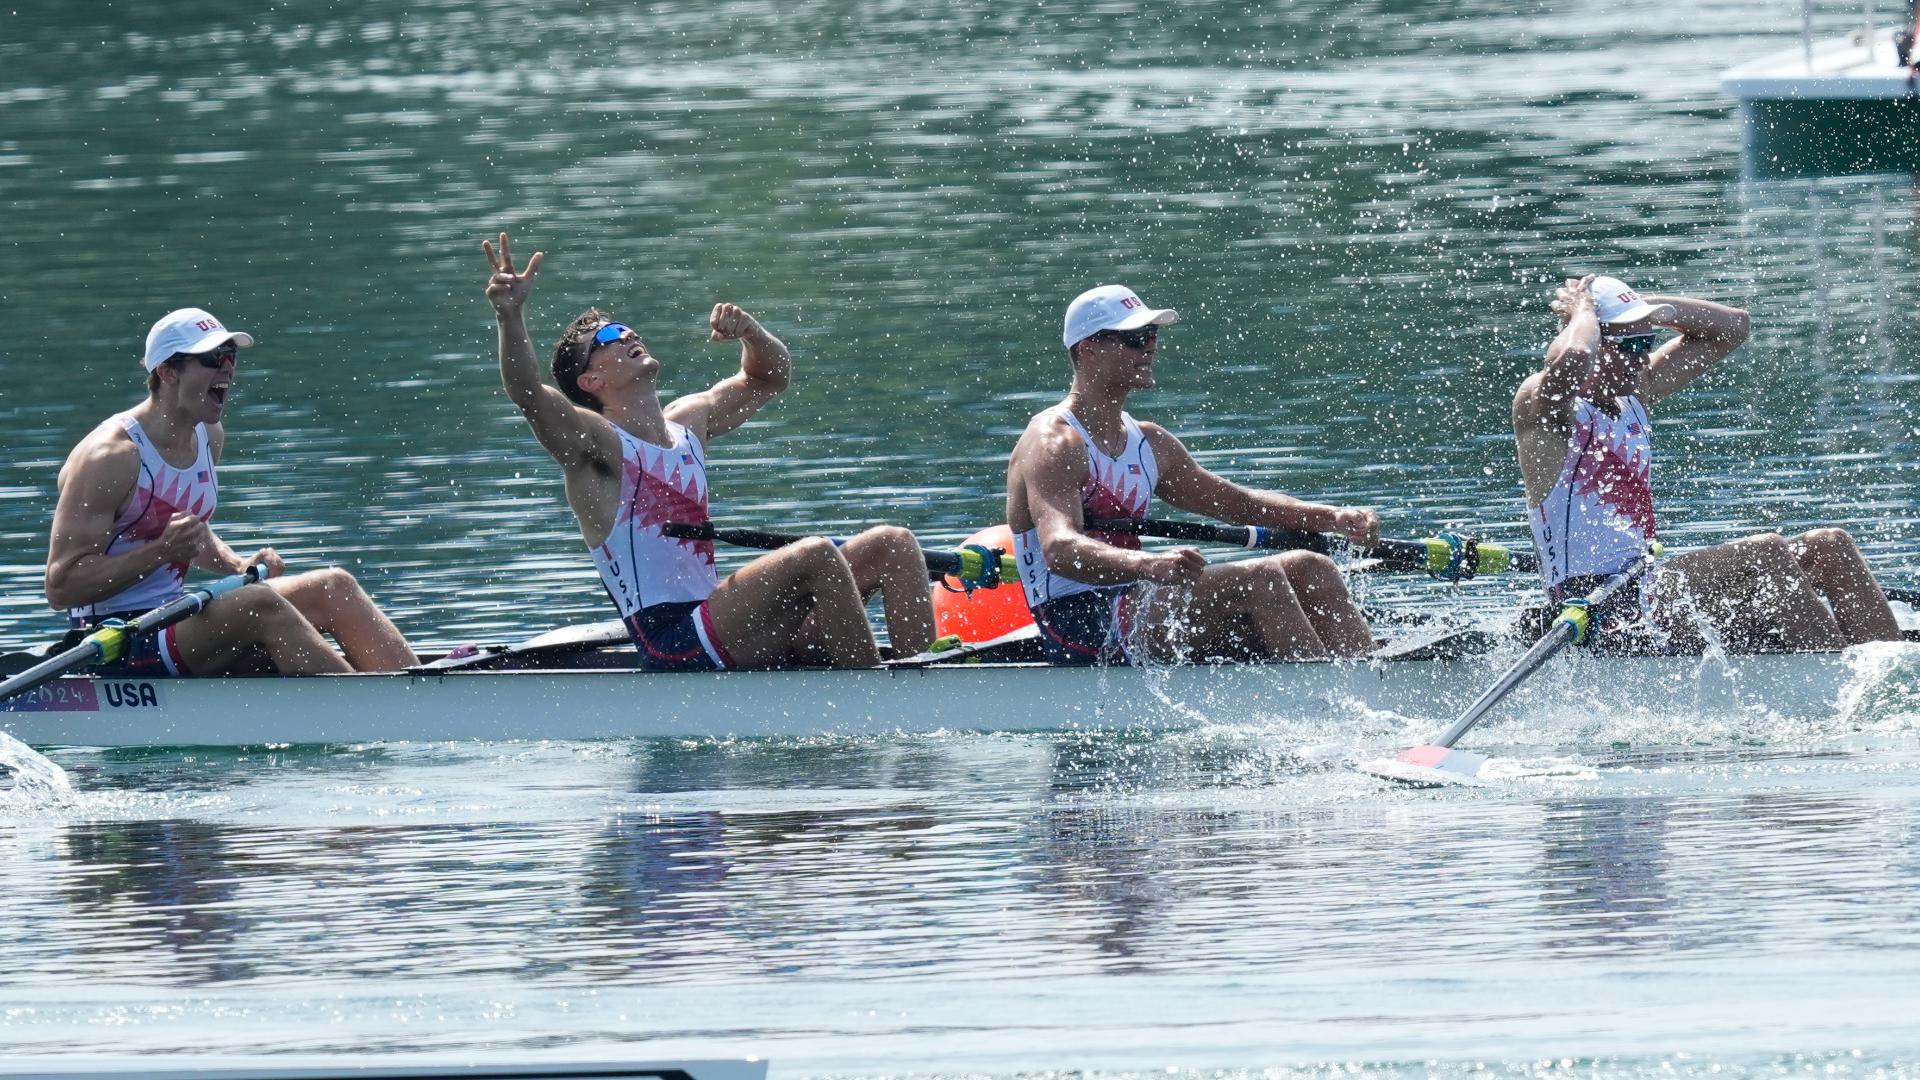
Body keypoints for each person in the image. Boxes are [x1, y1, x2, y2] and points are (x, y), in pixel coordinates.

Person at [480, 233, 936, 670]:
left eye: (623, 327)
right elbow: (527, 393)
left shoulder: (690, 422)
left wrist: (751, 333)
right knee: (815, 554)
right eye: (606, 338)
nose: (625, 335)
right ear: (590, 381)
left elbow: (769, 378)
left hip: (722, 622)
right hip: (673, 642)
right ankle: (881, 698)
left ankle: (925, 676)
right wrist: (509, 315)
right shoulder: (595, 445)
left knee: (892, 544)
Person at [1513, 274, 1900, 652]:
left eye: (1647, 340)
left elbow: (1733, 327)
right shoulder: (1544, 407)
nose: (1643, 356)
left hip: (1648, 585)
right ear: (1596, 340)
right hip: (1599, 606)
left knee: (1830, 546)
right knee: (1765, 551)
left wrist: (1641, 309)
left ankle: (1889, 679)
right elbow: (1574, 357)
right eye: (1631, 344)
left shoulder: (1634, 395)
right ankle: (1832, 682)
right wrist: (1582, 310)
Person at [1005, 284, 1381, 666]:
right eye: (1135, 338)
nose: (1150, 347)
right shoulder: (1054, 442)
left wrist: (1331, 517)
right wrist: (1149, 565)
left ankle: (1369, 692)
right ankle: (1325, 707)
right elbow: (1060, 549)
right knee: (1261, 577)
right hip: (1077, 621)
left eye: (1152, 335)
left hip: (1137, 597)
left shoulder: (1149, 442)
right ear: (1088, 349)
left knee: (1312, 567)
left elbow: (1238, 504)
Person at [45, 308, 419, 676]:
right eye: (212, 358)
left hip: (175, 617)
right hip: (115, 640)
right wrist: (159, 552)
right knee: (258, 602)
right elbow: (61, 586)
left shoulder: (207, 435)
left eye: (230, 356)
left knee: (334, 586)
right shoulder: (110, 458)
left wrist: (236, 565)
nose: (227, 368)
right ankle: (366, 710)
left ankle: (421, 697)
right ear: (167, 371)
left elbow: (187, 532)